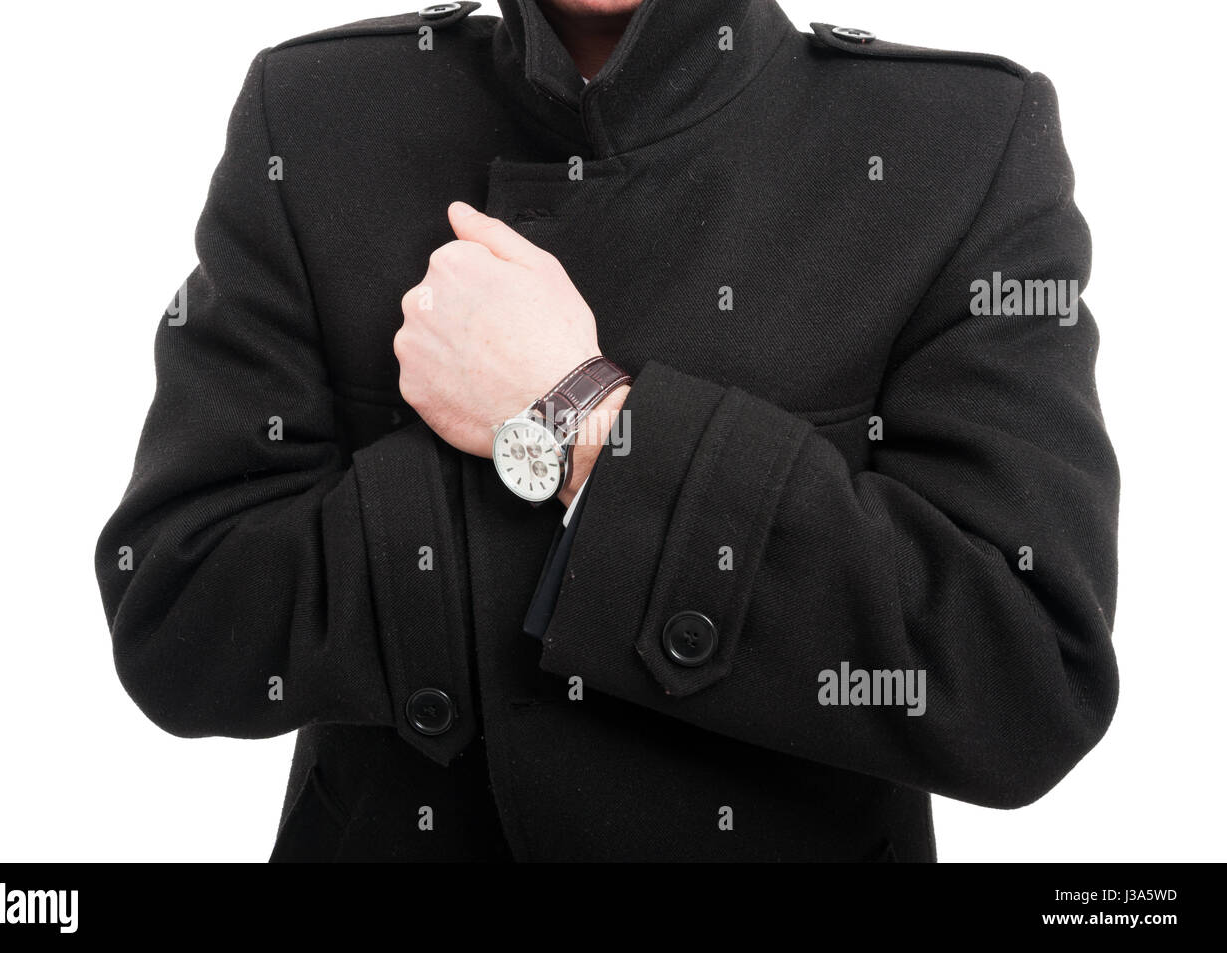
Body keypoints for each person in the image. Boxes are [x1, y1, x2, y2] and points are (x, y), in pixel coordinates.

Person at [95, 0, 1120, 862]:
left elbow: (1022, 676)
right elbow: (179, 608)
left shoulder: (957, 139)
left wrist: (577, 416)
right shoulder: (317, 115)